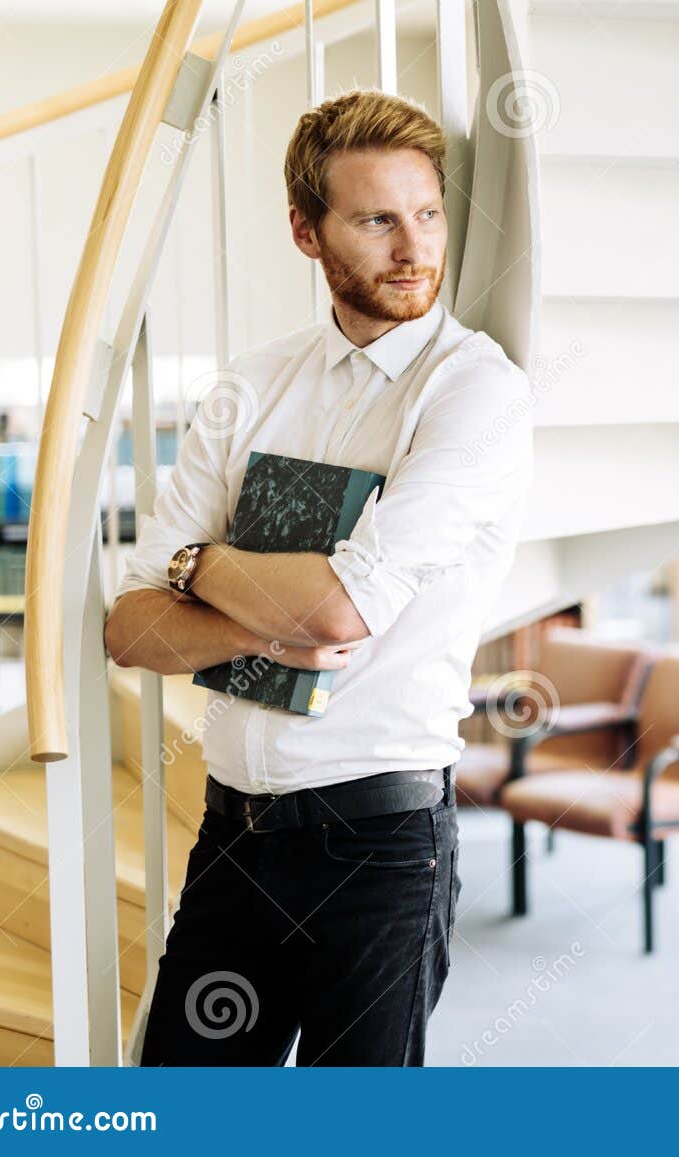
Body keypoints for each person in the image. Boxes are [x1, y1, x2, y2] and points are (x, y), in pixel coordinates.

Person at [105, 89, 535, 1066]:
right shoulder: (250, 385)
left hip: (379, 843)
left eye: (425, 214)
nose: (413, 245)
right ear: (307, 232)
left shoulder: (475, 391)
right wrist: (257, 605)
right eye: (376, 218)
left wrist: (201, 572)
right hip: (236, 835)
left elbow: (339, 610)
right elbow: (131, 627)